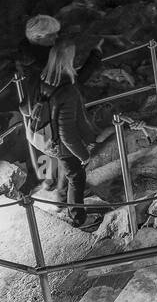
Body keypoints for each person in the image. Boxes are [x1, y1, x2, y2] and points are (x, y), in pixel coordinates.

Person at [18, 15, 103, 190]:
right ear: (39, 37)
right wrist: (94, 58)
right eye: (52, 35)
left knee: (42, 145)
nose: (56, 38)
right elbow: (73, 83)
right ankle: (58, 186)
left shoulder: (27, 56)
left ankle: (47, 180)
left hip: (36, 112)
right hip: (49, 112)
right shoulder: (43, 62)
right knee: (59, 147)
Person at [37, 41, 96, 228]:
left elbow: (25, 106)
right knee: (77, 177)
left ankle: (54, 190)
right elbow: (67, 133)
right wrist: (83, 155)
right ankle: (78, 218)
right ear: (67, 61)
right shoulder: (68, 91)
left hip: (45, 138)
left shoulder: (43, 79)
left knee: (66, 171)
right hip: (62, 145)